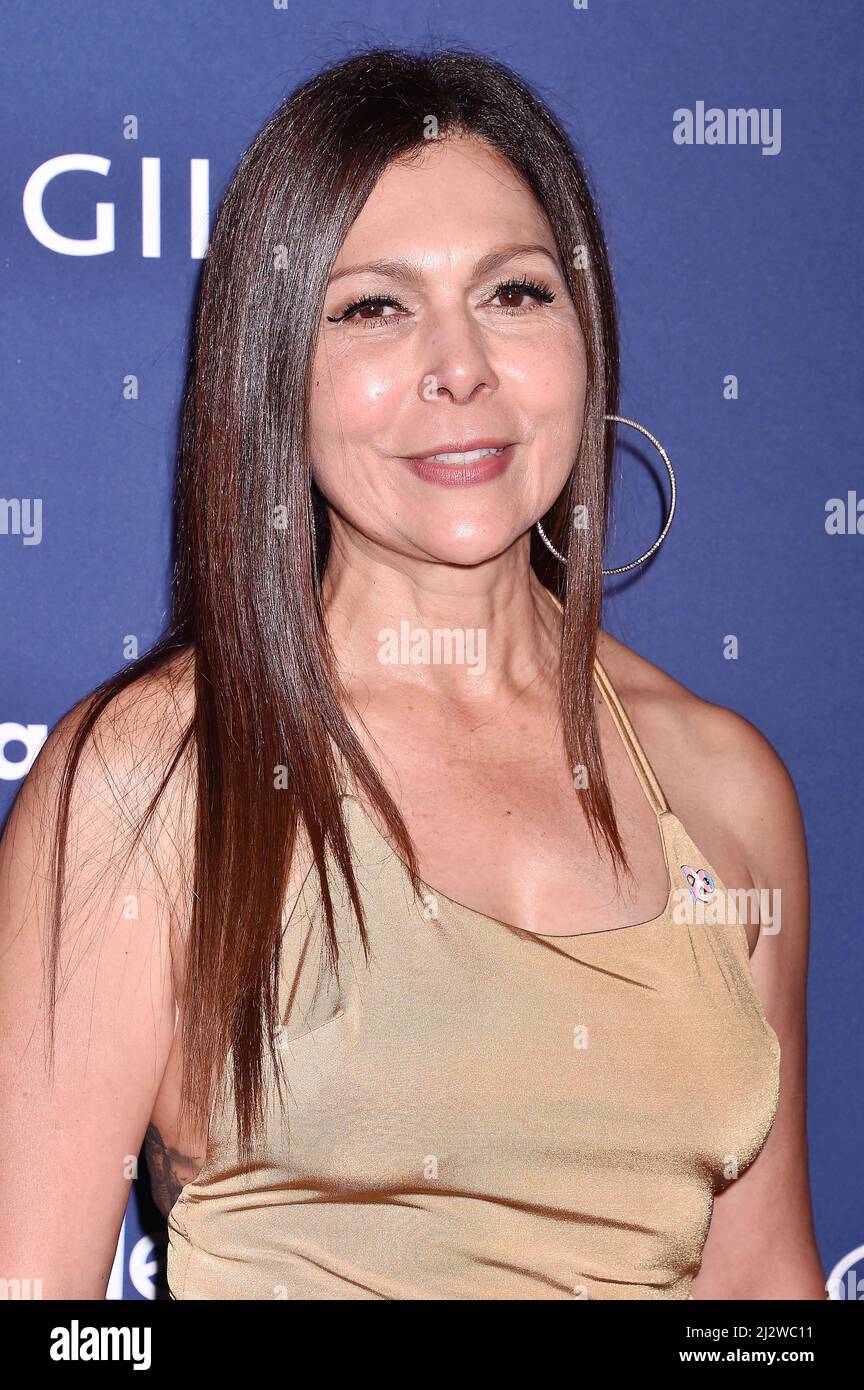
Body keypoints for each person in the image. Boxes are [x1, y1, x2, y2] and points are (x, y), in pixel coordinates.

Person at [0, 47, 825, 1300]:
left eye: (514, 293)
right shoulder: (152, 777)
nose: (462, 369)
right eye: (374, 307)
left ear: (585, 337)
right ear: (274, 367)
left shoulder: (723, 785)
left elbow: (762, 1295)